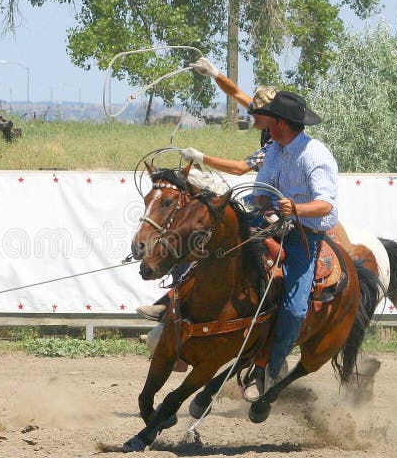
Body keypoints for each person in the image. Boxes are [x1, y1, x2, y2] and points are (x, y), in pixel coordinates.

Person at [135, 58, 276, 322]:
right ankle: (173, 298)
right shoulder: (269, 123)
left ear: (271, 116)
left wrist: (201, 157)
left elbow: (238, 168)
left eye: (257, 111)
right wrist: (214, 73)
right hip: (257, 195)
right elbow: (236, 93)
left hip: (273, 201)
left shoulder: (275, 145)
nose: (252, 113)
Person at [249, 90, 338, 391]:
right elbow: (262, 185)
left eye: (268, 117)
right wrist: (261, 198)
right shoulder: (274, 149)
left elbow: (325, 205)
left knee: (295, 308)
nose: (263, 121)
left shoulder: (315, 155)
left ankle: (273, 365)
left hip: (303, 234)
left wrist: (295, 208)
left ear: (281, 123)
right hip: (270, 222)